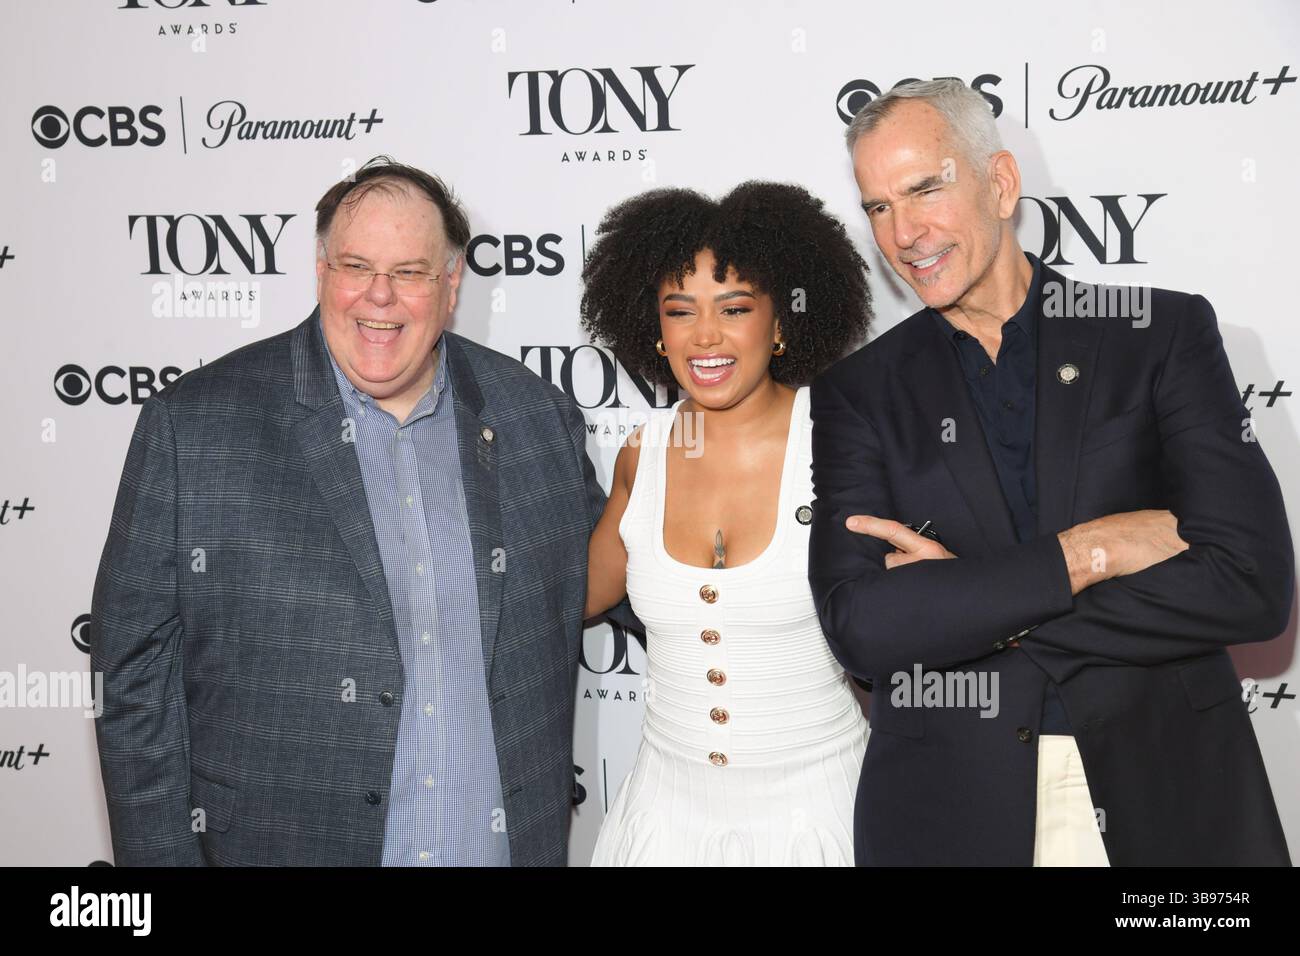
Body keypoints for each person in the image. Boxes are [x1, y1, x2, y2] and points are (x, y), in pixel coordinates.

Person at [91, 156, 631, 866]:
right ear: (321, 271)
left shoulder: (534, 416)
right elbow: (134, 680)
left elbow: (632, 581)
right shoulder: (197, 427)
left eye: (409, 271)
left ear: (451, 283)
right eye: (356, 267)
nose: (379, 295)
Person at [811, 79, 1293, 865]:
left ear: (1001, 184)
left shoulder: (1158, 335)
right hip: (953, 813)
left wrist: (967, 601)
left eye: (925, 190)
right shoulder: (859, 392)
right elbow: (862, 630)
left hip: (1164, 796)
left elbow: (1251, 583)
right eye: (878, 207)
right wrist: (1087, 554)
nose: (903, 233)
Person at [581, 182, 873, 865]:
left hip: (820, 813)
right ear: (655, 330)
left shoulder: (841, 442)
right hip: (663, 819)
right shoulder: (642, 454)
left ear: (781, 322)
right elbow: (576, 596)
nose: (705, 335)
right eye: (680, 311)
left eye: (735, 308)